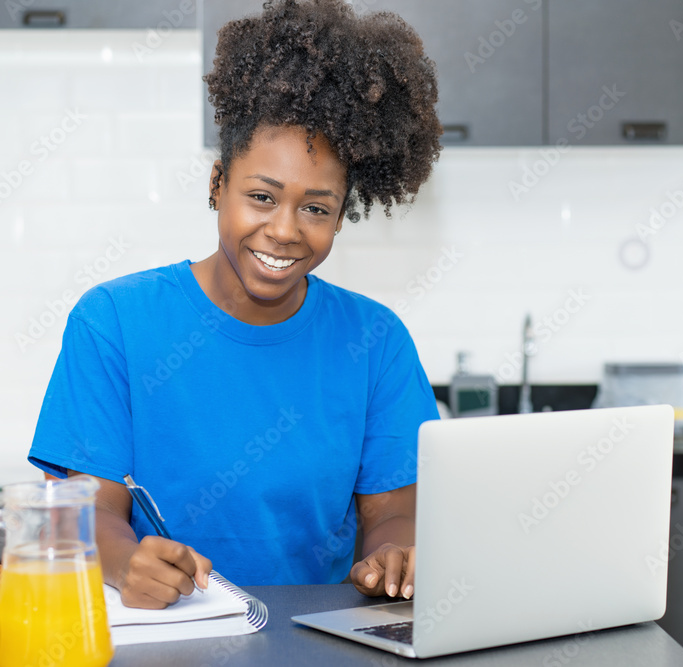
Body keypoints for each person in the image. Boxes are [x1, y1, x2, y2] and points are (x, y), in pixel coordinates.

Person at [28, 0, 442, 609]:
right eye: (261, 196)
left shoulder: (375, 341)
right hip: (167, 634)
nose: (284, 230)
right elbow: (89, 511)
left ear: (341, 215)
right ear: (218, 184)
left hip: (318, 643)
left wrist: (394, 556)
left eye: (317, 208)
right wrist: (124, 560)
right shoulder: (114, 321)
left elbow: (395, 512)